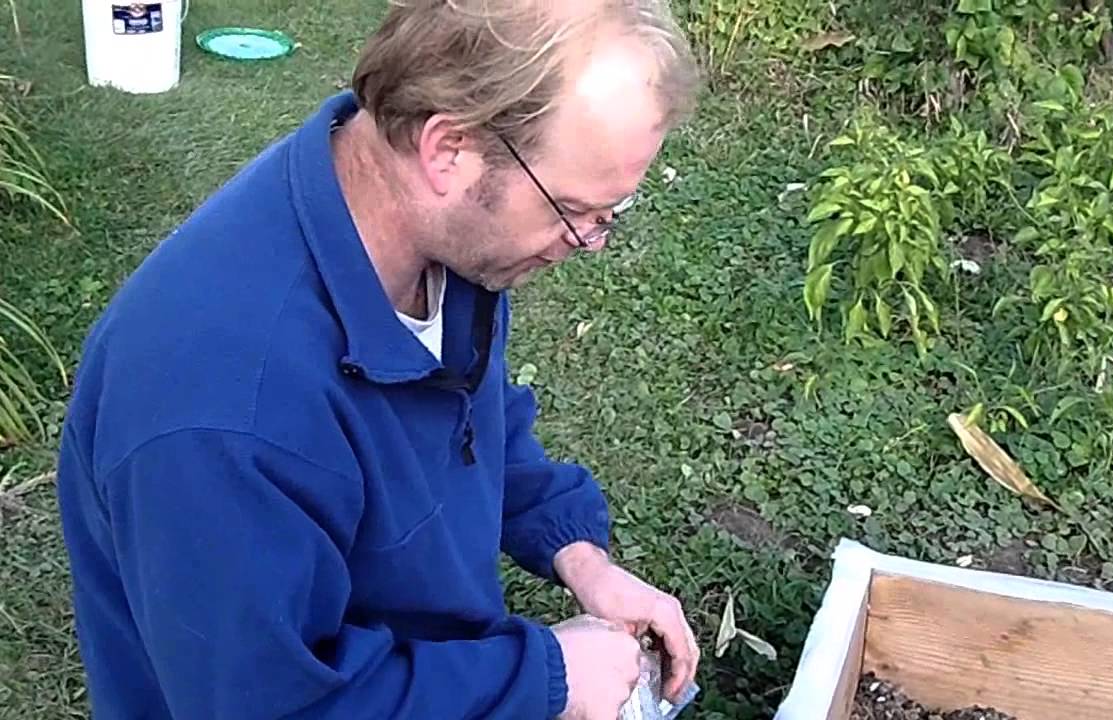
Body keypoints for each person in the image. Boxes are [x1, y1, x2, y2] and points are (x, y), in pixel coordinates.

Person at [54, 1, 702, 718]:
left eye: (611, 214)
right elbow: (273, 707)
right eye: (572, 209)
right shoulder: (223, 410)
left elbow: (467, 424)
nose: (589, 242)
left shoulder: (438, 240)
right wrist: (546, 678)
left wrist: (577, 554)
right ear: (448, 150)